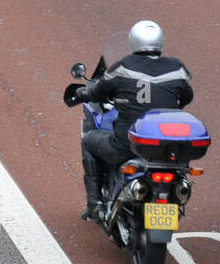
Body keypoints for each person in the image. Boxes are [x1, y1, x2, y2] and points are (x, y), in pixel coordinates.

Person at [65, 20, 194, 220]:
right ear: (160, 41)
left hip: (127, 145)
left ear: (133, 41)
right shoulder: (177, 68)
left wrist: (82, 93)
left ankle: (94, 205)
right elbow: (187, 97)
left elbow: (97, 91)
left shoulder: (123, 67)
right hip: (167, 148)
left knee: (89, 140)